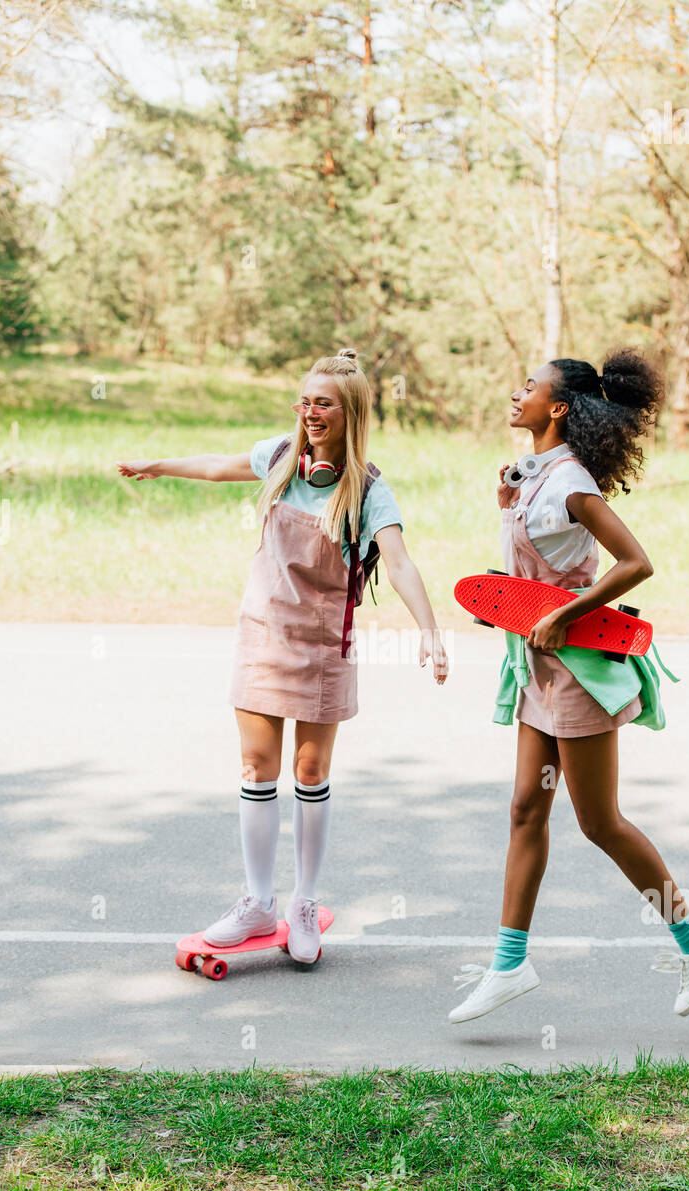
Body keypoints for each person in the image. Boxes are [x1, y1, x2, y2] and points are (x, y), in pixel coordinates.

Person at [119, 349, 448, 963]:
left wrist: (428, 629)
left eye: (323, 403)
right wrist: (157, 465)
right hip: (263, 634)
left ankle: (304, 904)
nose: (310, 412)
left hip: (324, 645)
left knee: (311, 773)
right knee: (254, 767)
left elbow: (398, 560)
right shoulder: (277, 457)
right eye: (305, 400)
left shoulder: (369, 490)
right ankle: (257, 903)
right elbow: (219, 465)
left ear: (350, 413)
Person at [450, 349, 689, 1023]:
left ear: (558, 408)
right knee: (524, 808)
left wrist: (559, 614)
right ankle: (508, 964)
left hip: (579, 668)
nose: (515, 393)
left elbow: (635, 563)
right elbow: (536, 569)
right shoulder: (527, 474)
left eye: (529, 387)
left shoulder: (570, 481)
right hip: (539, 665)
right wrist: (511, 600)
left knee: (598, 821)